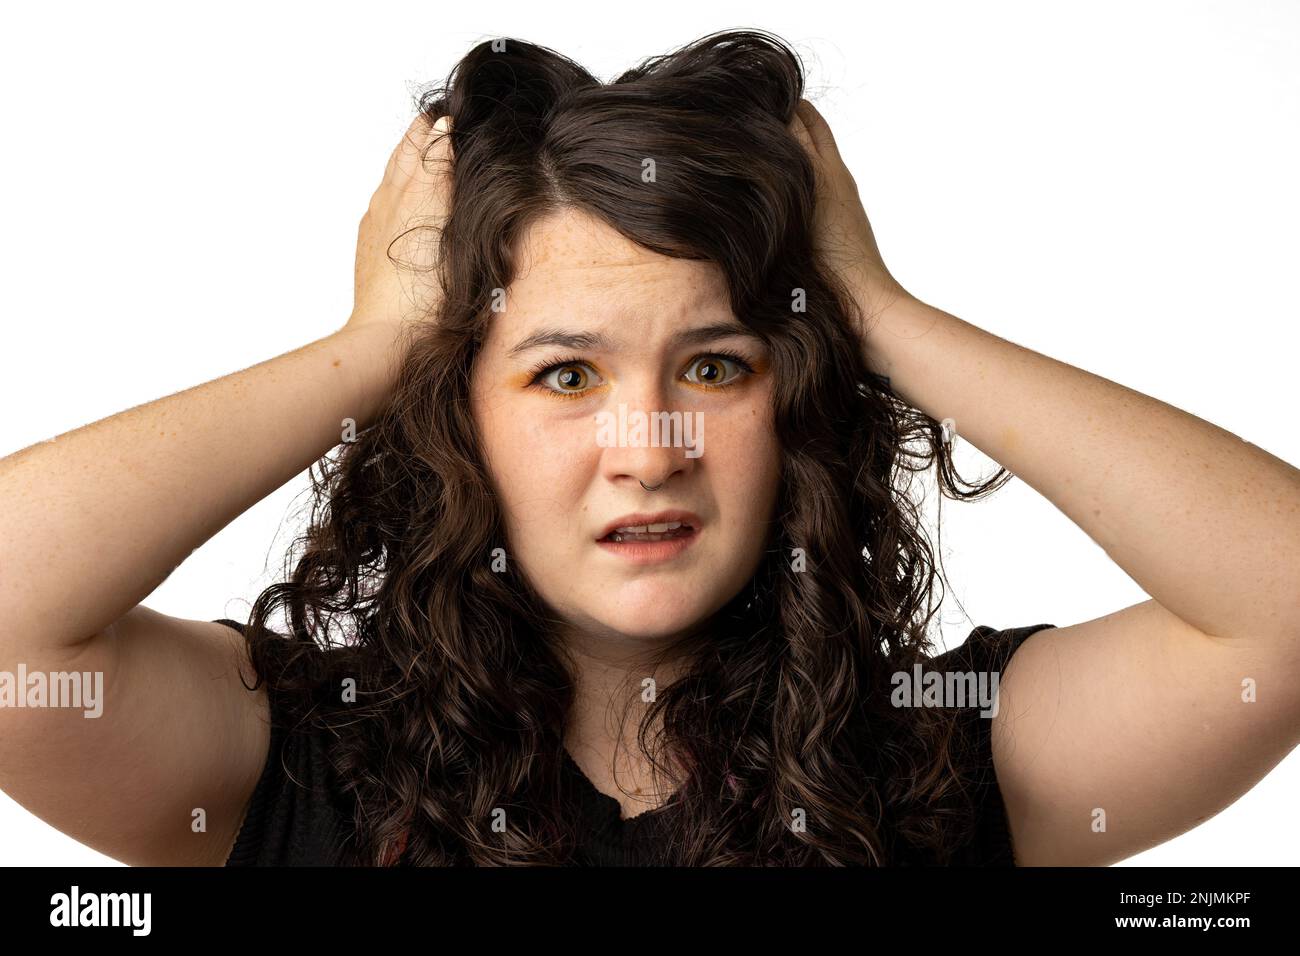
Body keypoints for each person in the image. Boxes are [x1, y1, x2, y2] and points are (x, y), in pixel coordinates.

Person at [1, 30, 1297, 867]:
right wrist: (376, 344)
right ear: (461, 422)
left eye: (717, 365)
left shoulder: (937, 757)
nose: (650, 447)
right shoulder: (296, 761)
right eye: (566, 373)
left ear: (796, 397)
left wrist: (880, 315)